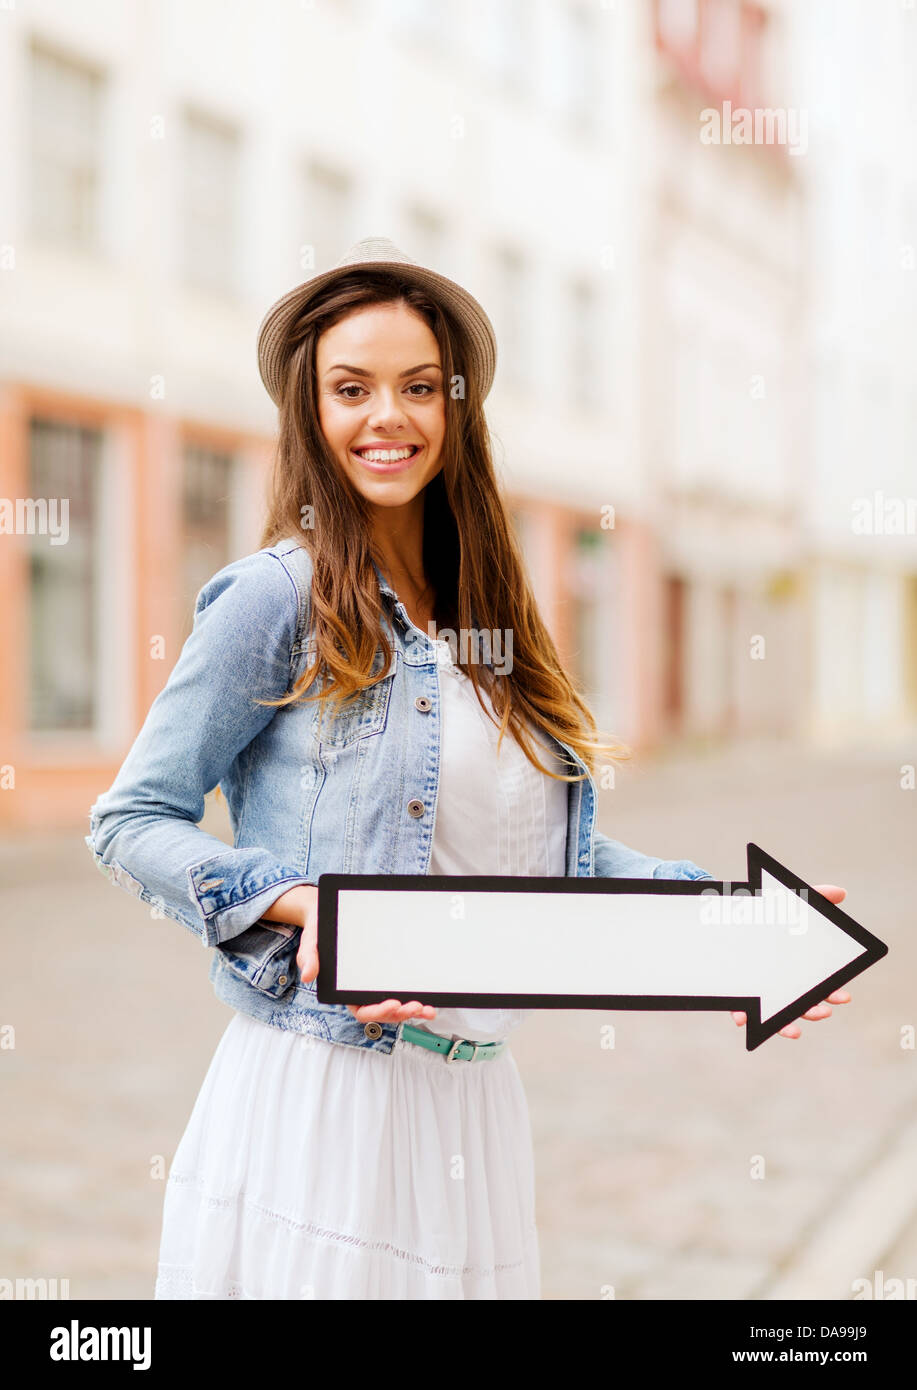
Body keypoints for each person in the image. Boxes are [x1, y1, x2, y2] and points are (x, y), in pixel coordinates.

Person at [85, 236, 850, 1300]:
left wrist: (710, 931)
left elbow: (538, 864)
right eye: (349, 389)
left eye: (415, 388)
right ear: (310, 412)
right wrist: (290, 902)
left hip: (475, 1109)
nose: (384, 417)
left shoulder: (490, 625)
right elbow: (130, 819)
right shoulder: (274, 599)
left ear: (456, 409)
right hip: (329, 1099)